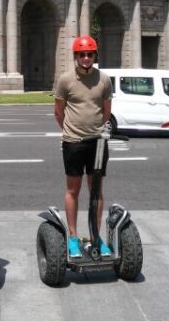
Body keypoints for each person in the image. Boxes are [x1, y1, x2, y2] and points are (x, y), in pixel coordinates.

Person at [53, 35, 113, 258]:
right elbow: (59, 112)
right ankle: (73, 237)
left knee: (96, 190)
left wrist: (96, 130)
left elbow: (106, 111)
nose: (86, 58)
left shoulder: (104, 80)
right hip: (73, 143)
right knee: (73, 190)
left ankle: (96, 236)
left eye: (89, 54)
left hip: (97, 142)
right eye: (82, 55)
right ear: (76, 57)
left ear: (95, 56)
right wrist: (71, 131)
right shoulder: (65, 80)